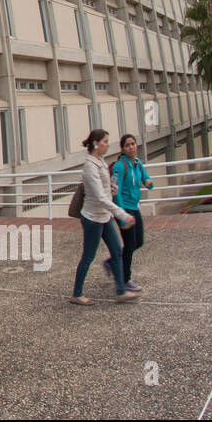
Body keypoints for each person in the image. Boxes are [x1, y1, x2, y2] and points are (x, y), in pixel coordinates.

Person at [71, 128, 139, 305]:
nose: (108, 145)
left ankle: (121, 291)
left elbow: (104, 190)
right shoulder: (89, 166)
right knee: (88, 256)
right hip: (93, 217)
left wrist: (112, 189)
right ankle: (77, 294)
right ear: (95, 143)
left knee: (117, 250)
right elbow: (99, 197)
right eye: (105, 141)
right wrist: (122, 214)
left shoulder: (100, 162)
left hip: (105, 215)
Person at [107, 134, 152, 291]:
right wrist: (121, 214)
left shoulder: (138, 163)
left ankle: (113, 262)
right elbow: (115, 190)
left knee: (138, 241)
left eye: (133, 144)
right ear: (123, 149)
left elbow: (145, 178)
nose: (131, 147)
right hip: (124, 209)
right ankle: (125, 279)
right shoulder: (120, 166)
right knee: (130, 243)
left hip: (134, 207)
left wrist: (148, 183)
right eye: (127, 145)